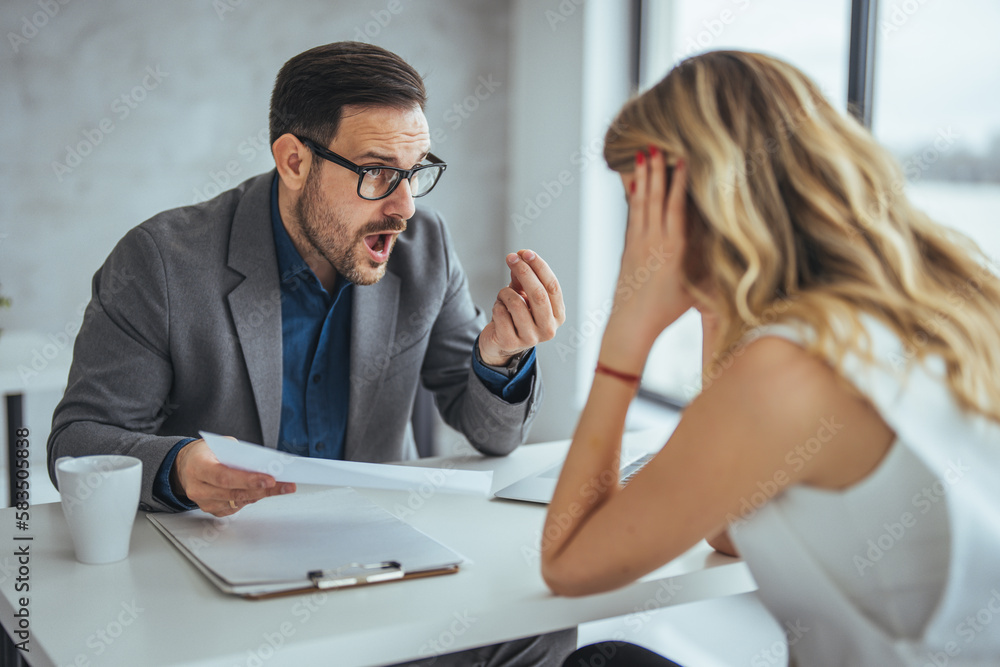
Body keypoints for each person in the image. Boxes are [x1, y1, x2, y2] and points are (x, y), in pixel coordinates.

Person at [48, 41, 575, 665]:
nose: (404, 208)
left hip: (381, 560)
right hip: (222, 582)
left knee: (544, 628)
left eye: (415, 173)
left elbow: (488, 434)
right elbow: (77, 441)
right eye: (378, 173)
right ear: (294, 160)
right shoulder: (160, 263)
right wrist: (179, 466)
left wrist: (500, 357)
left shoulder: (424, 247)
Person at [543, 50, 1000, 666]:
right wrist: (717, 309)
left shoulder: (789, 373)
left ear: (698, 204)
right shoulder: (943, 304)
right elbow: (729, 530)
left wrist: (627, 332)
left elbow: (570, 563)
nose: (642, 241)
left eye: (644, 210)